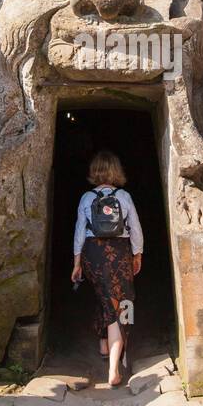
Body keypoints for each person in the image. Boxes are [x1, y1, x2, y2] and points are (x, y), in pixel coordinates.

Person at [71, 149, 143, 387]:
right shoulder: (124, 196)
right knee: (122, 304)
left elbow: (80, 232)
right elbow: (135, 228)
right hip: (119, 253)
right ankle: (114, 368)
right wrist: (137, 254)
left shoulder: (86, 198)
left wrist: (77, 262)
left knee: (105, 298)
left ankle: (104, 345)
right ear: (116, 171)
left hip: (93, 254)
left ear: (94, 172)